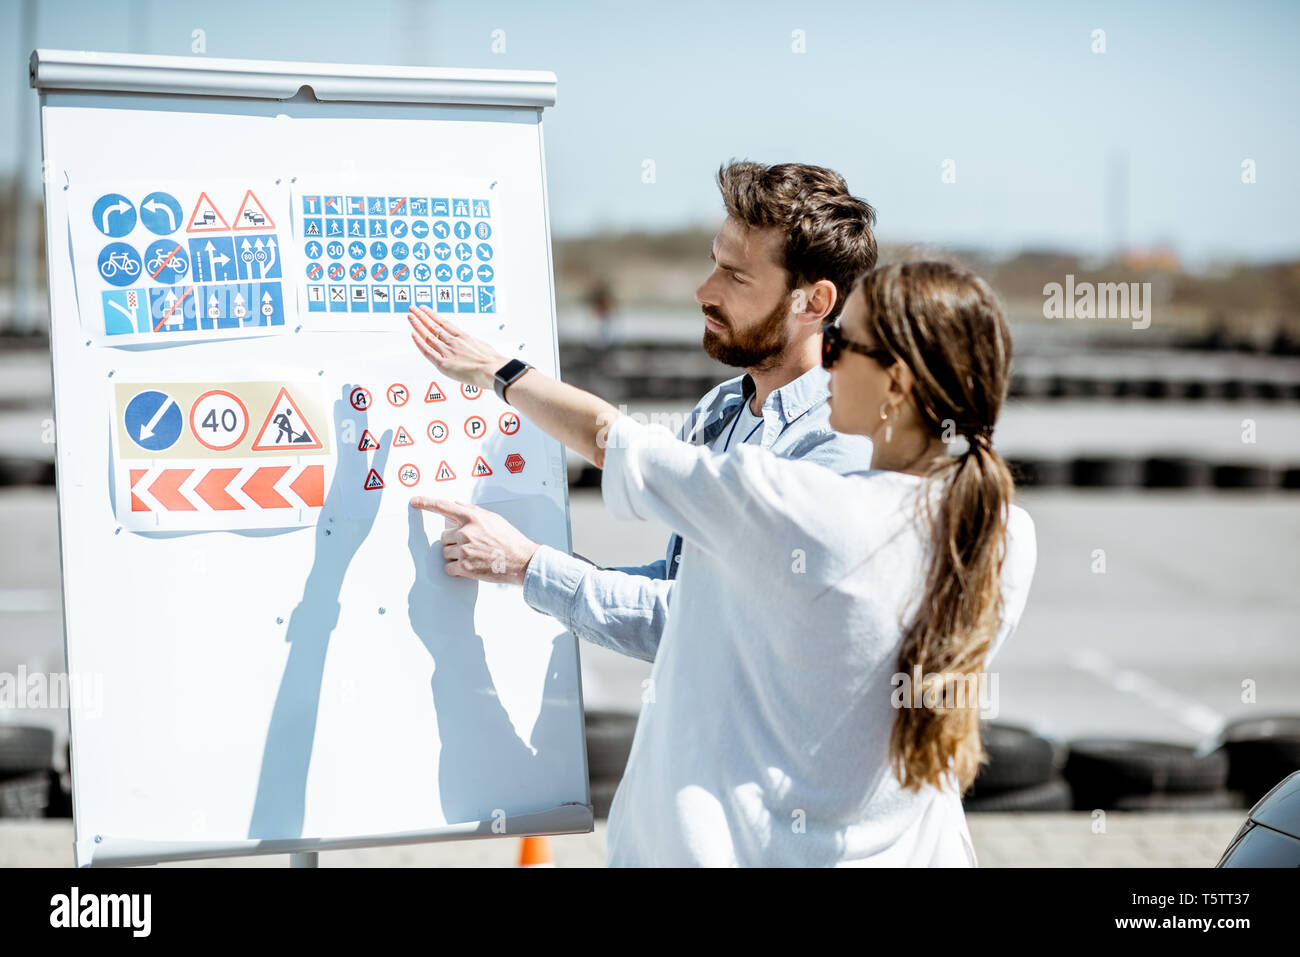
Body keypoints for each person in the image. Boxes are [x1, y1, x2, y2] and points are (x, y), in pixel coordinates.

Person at [405, 259, 1038, 867]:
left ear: (895, 385)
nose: (828, 355)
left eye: (846, 343)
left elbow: (612, 440)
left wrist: (500, 371)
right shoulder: (1004, 531)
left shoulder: (802, 508)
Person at [416, 161, 878, 665]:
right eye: (713, 264)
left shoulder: (840, 447)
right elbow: (679, 578)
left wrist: (528, 566)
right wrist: (540, 565)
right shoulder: (723, 408)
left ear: (814, 302)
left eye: (735, 277)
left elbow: (701, 625)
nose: (704, 292)